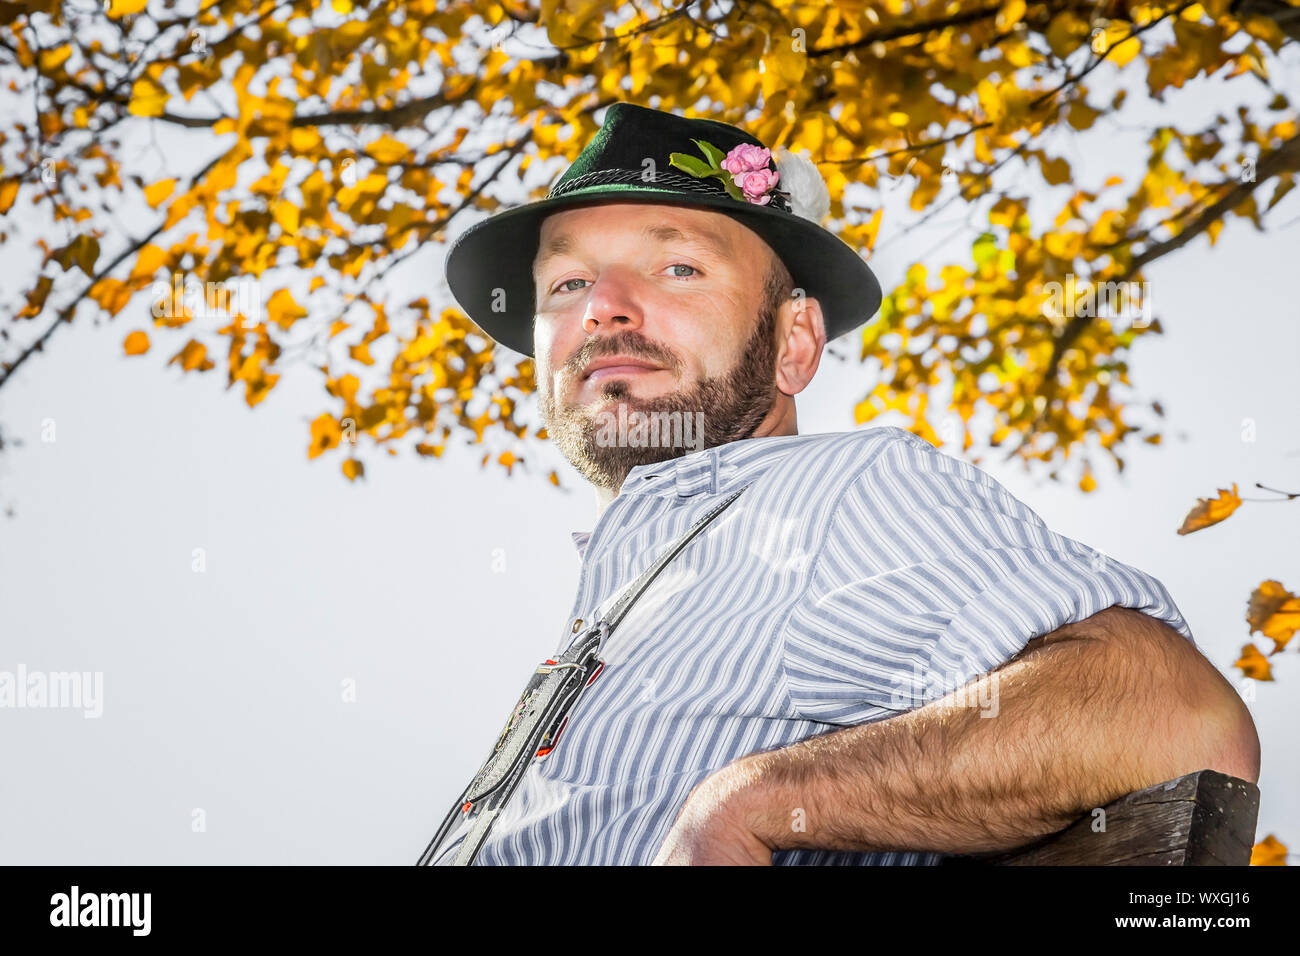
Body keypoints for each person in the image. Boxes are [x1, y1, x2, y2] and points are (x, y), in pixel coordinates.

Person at [429, 101, 1259, 865]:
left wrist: (746, 806)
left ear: (795, 342)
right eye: (569, 283)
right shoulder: (633, 581)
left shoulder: (826, 497)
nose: (604, 306)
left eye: (678, 267)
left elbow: (1175, 716)